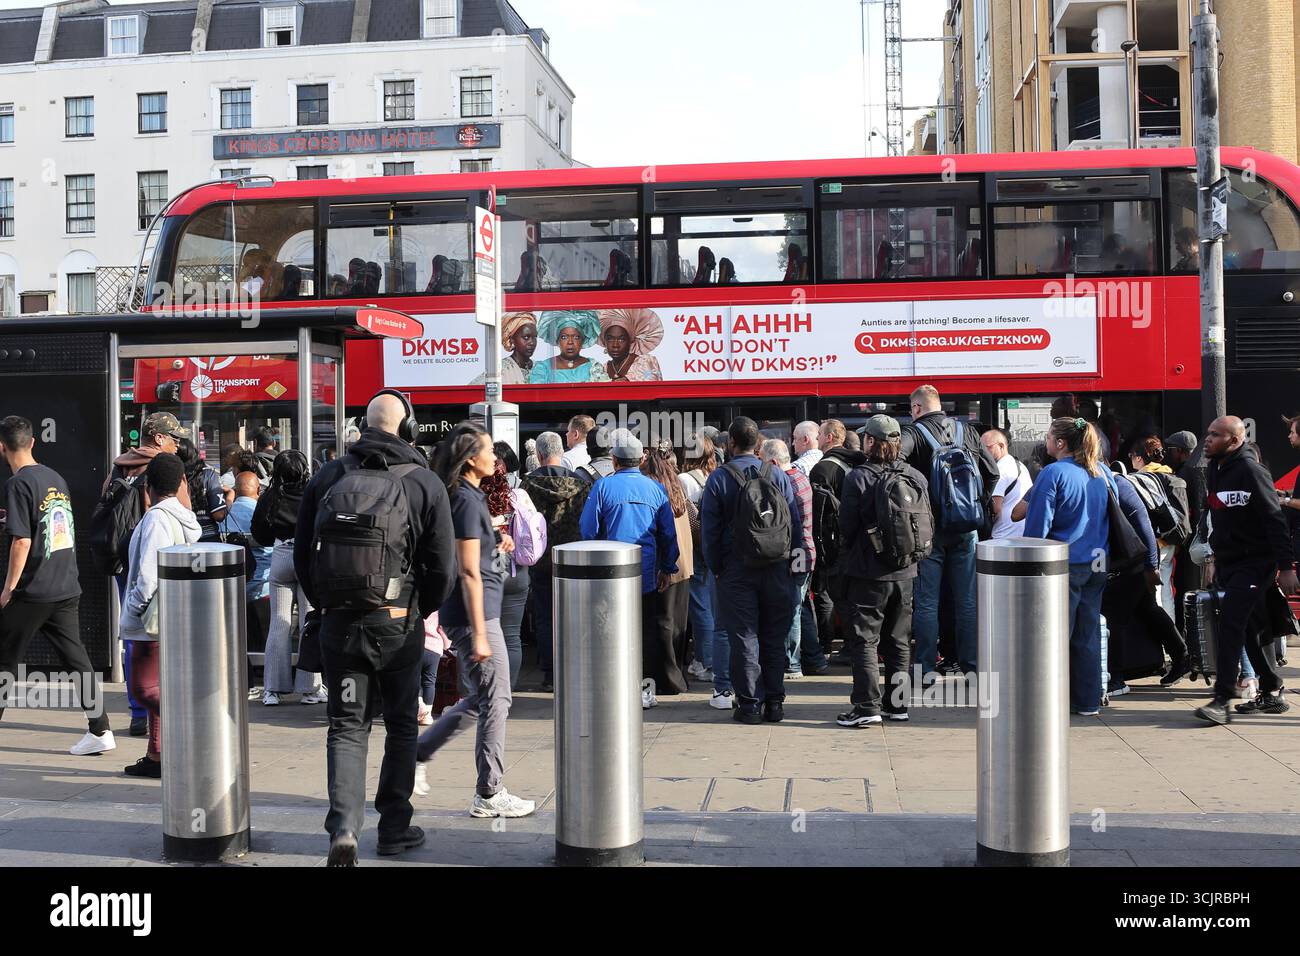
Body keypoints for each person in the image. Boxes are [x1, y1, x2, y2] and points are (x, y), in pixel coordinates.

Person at [295, 392, 457, 865]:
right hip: (397, 626)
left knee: (346, 726)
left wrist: (328, 603)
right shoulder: (424, 482)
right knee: (402, 724)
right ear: (407, 428)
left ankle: (344, 829)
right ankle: (394, 828)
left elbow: (305, 553)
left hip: (340, 627)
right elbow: (442, 568)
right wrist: (415, 607)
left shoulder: (329, 476)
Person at [416, 423, 535, 819]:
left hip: (476, 615)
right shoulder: (466, 501)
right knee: (496, 700)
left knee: (485, 698)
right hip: (475, 617)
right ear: (470, 458)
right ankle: (489, 792)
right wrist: (481, 634)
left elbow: (471, 558)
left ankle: (420, 751)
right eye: (488, 450)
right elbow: (467, 572)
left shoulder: (467, 496)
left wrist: (496, 543)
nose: (495, 458)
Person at [0, 416, 115, 756]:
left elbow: (21, 542)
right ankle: (100, 729)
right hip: (65, 586)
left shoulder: (18, 484)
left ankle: (101, 732)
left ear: (2, 447)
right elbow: (52, 523)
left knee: (4, 662)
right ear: (33, 442)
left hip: (33, 590)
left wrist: (9, 588)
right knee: (76, 658)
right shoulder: (54, 477)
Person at [1193, 416, 1298, 724]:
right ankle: (1271, 687)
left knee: (1231, 625)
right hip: (1231, 563)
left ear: (1234, 440)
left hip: (1255, 564)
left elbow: (1274, 520)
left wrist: (1285, 567)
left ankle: (1222, 698)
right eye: (1208, 433)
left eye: (1215, 435)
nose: (1208, 439)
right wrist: (1215, 559)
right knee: (1251, 628)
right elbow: (1219, 517)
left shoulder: (1252, 471)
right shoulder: (1216, 469)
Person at [700, 417, 800, 724]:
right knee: (773, 636)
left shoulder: (719, 478)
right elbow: (794, 522)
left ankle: (749, 705)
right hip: (777, 567)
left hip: (736, 570)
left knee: (744, 637)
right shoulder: (778, 476)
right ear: (758, 444)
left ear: (730, 444)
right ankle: (775, 703)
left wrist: (716, 568)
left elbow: (710, 532)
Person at [835, 415, 929, 726]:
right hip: (906, 571)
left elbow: (846, 528)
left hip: (868, 573)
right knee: (899, 641)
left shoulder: (858, 478)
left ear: (872, 442)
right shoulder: (915, 476)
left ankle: (866, 708)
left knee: (866, 641)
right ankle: (898, 706)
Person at [899, 385, 999, 679]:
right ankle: (971, 667)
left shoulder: (913, 433)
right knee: (967, 600)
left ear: (917, 408)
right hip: (967, 528)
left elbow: (897, 468)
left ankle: (925, 669)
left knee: (927, 601)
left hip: (930, 529)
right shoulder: (966, 431)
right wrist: (974, 505)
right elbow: (991, 472)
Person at [1024, 418, 1120, 716]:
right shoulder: (1102, 471)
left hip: (1063, 564)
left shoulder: (1052, 473)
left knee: (1052, 635)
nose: (1046, 442)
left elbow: (1037, 529)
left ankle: (1050, 703)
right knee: (1087, 633)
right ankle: (1088, 701)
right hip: (1098, 561)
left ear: (1061, 443)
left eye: (1049, 436)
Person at [106, 410, 192, 737]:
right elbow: (185, 518)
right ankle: (162, 707)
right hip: (156, 562)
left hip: (122, 559)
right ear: (158, 438)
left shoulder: (119, 465)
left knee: (133, 641)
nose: (176, 444)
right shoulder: (166, 469)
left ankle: (138, 712)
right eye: (174, 438)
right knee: (161, 641)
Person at [580, 429, 681, 705]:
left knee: (609, 632)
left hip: (609, 575)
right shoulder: (656, 489)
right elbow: (668, 535)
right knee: (646, 633)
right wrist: (667, 567)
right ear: (641, 459)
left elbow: (588, 531)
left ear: (614, 460)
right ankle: (645, 690)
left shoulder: (602, 487)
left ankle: (613, 689)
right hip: (646, 574)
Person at [119, 452, 203, 775]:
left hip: (150, 621)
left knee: (143, 688)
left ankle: (190, 727)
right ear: (181, 483)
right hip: (173, 615)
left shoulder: (155, 518)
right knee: (159, 683)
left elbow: (148, 574)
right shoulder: (182, 518)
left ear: (148, 486)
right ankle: (157, 755)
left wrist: (133, 608)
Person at [252, 450, 324, 706]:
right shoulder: (312, 493)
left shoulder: (271, 496)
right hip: (307, 557)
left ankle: (272, 689)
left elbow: (259, 533)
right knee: (309, 621)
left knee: (279, 623)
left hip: (281, 554)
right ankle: (311, 688)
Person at [521, 431, 590, 692]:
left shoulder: (527, 486)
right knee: (573, 617)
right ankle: (574, 670)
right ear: (561, 452)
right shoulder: (582, 484)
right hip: (573, 559)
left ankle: (550, 673)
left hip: (540, 560)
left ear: (539, 455)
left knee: (544, 616)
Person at [760, 438, 825, 680]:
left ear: (775, 462)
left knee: (791, 609)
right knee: (801, 606)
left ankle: (792, 663)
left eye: (765, 463)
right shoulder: (800, 477)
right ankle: (815, 658)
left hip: (795, 553)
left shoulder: (785, 481)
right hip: (807, 550)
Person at [810, 419, 867, 663]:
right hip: (858, 543)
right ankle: (856, 646)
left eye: (820, 434)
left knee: (837, 598)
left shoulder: (823, 469)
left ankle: (846, 647)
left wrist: (821, 553)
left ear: (830, 437)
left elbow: (821, 517)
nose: (817, 439)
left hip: (836, 546)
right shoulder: (857, 463)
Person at [641, 438, 694, 695]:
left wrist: (663, 564)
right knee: (679, 623)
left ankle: (668, 679)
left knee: (661, 622)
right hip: (685, 561)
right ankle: (679, 674)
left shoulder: (651, 486)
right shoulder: (677, 481)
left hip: (666, 563)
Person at [482, 450, 532, 689]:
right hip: (517, 569)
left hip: (487, 572)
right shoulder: (519, 496)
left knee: (483, 635)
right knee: (511, 637)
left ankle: (485, 690)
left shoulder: (474, 500)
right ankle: (507, 691)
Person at [678, 431, 724, 690]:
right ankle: (711, 658)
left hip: (695, 546)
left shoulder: (684, 479)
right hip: (712, 545)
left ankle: (705, 662)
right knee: (712, 603)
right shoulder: (714, 475)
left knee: (699, 605)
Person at [1128, 436, 1180, 617]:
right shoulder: (1170, 474)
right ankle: (1172, 634)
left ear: (1140, 457)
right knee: (1166, 591)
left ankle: (1161, 640)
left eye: (1132, 455)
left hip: (1154, 543)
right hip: (1170, 539)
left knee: (1154, 593)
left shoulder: (1139, 480)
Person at [1164, 429, 1204, 633]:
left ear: (1180, 451)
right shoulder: (1198, 469)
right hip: (1200, 542)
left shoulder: (1185, 473)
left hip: (1190, 544)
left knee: (1185, 593)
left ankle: (1186, 644)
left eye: (1170, 449)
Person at [222, 472, 273, 605]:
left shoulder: (223, 516)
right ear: (258, 490)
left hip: (231, 590)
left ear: (236, 490)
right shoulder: (265, 515)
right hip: (263, 589)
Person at [528, 311, 611, 384]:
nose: (570, 342)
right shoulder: (543, 368)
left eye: (576, 337)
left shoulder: (594, 367)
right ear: (557, 340)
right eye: (564, 337)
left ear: (583, 340)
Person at [981, 428, 1032, 539]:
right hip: (1020, 533)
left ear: (1001, 446)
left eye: (986, 448)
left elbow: (995, 508)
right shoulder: (1019, 465)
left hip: (1003, 536)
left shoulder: (999, 470)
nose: (982, 452)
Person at [176, 436, 227, 541]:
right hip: (208, 539)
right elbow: (219, 515)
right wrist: (230, 497)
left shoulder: (172, 475)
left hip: (180, 537)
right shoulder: (208, 475)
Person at [599, 309, 665, 382]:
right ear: (604, 341)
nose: (615, 345)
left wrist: (628, 381)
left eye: (622, 339)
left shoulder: (645, 362)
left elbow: (655, 388)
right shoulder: (602, 369)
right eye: (610, 339)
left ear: (630, 341)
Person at [472, 313, 537, 386]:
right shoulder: (500, 369)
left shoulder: (541, 368)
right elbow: (471, 391)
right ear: (512, 339)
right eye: (526, 337)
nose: (532, 342)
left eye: (535, 337)